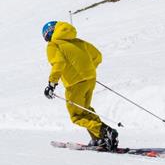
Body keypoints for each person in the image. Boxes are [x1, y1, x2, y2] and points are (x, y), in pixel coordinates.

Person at [42, 20, 119, 150]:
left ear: (48, 34)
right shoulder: (78, 41)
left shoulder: (53, 45)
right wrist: (87, 71)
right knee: (85, 109)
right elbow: (97, 56)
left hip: (75, 83)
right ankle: (99, 138)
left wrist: (51, 84)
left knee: (77, 116)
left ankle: (104, 131)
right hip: (90, 80)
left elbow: (59, 63)